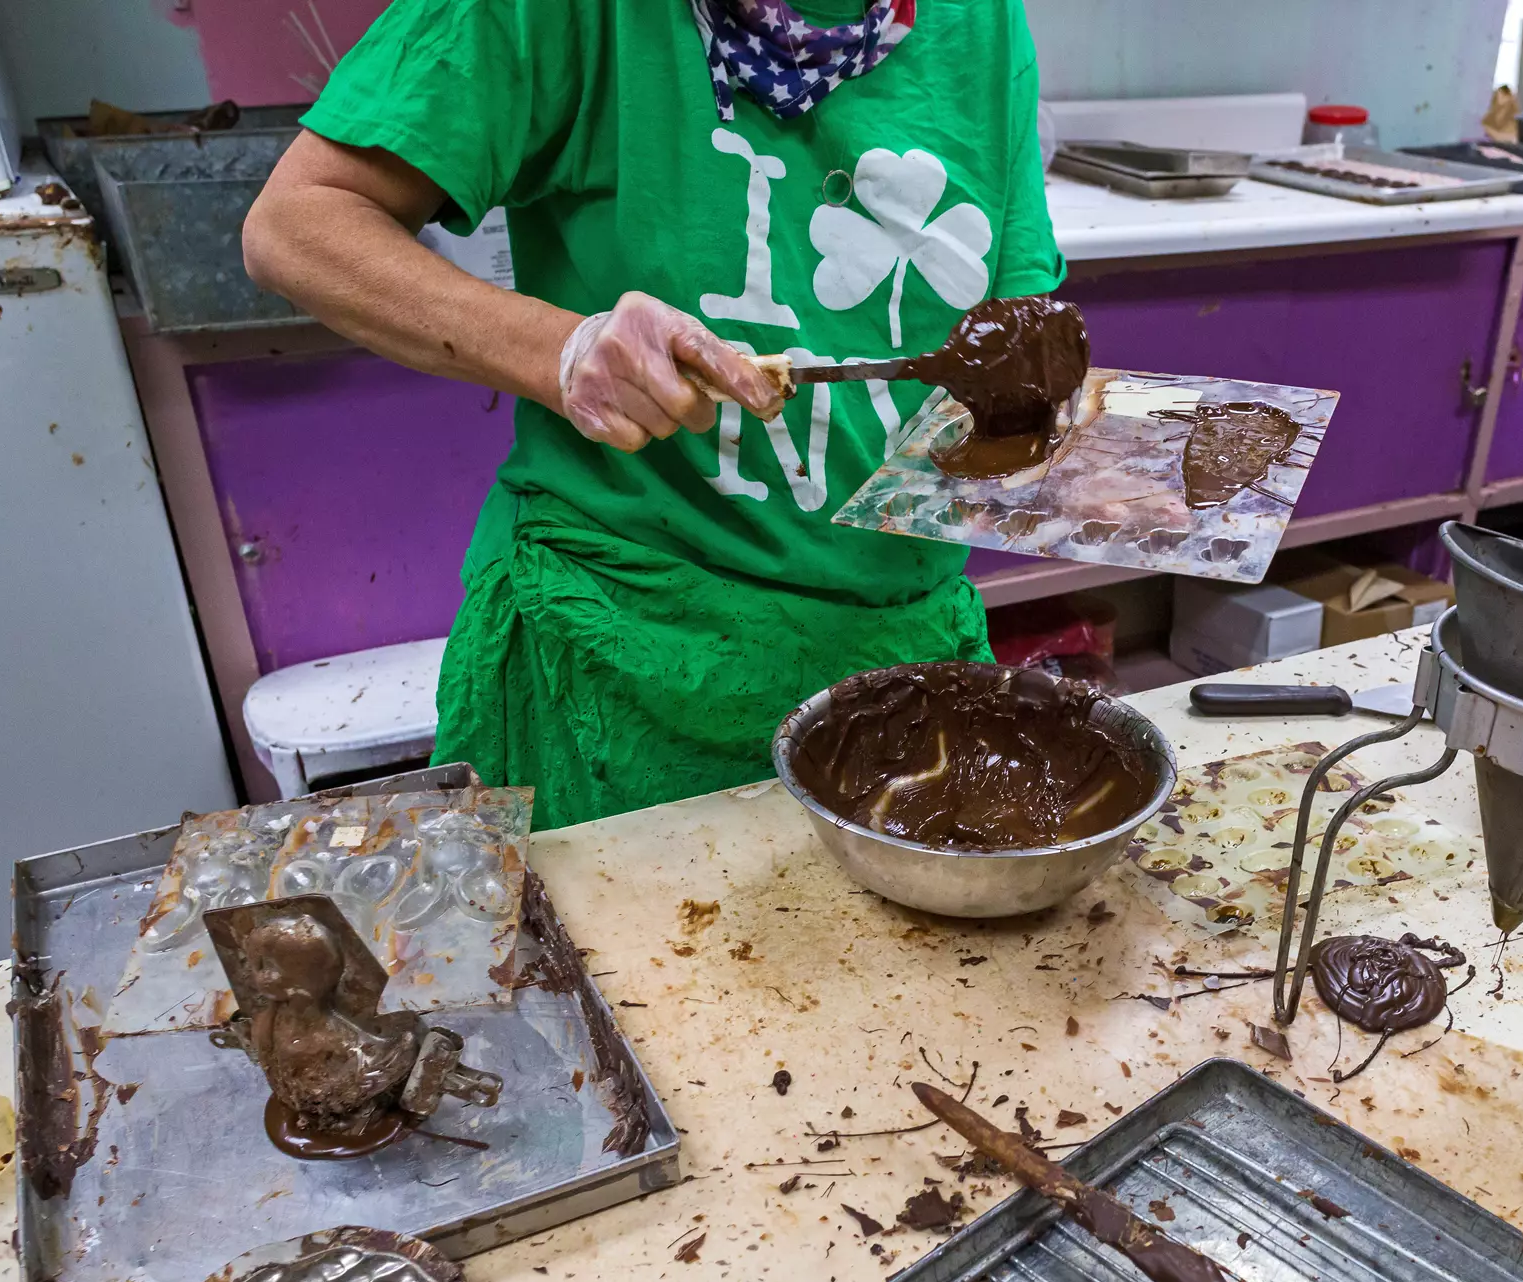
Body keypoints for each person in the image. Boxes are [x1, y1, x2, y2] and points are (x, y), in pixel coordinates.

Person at [244, 0, 1065, 829]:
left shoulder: (984, 22)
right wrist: (565, 351)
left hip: (898, 658)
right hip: (622, 661)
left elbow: (1017, 330)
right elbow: (298, 224)